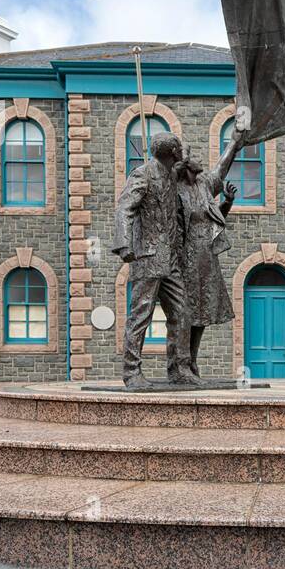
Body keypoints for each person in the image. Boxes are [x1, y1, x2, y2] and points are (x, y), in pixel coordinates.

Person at [112, 132, 198, 390]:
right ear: (173, 151)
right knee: (141, 315)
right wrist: (124, 243)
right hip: (148, 256)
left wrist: (188, 165)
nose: (182, 150)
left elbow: (190, 168)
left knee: (182, 312)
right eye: (179, 148)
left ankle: (179, 368)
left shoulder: (172, 174)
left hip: (171, 258)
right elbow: (124, 208)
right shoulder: (143, 174)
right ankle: (131, 372)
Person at [175, 136, 243, 376]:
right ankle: (180, 362)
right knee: (186, 309)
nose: (200, 158)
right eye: (194, 155)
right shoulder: (176, 189)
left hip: (206, 256)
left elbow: (222, 168)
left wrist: (228, 201)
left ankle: (193, 360)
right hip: (186, 256)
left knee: (202, 310)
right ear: (184, 163)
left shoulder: (204, 184)